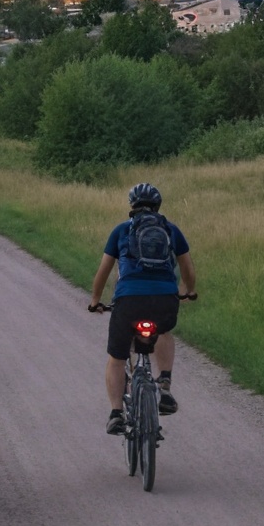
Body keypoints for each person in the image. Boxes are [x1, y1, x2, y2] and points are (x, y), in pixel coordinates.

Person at [87, 182, 196, 434]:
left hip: (129, 299)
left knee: (117, 357)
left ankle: (116, 413)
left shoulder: (121, 231)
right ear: (158, 206)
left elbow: (103, 272)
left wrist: (95, 300)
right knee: (164, 332)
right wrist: (188, 291)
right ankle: (165, 384)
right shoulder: (171, 230)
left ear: (132, 206)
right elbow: (188, 269)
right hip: (164, 297)